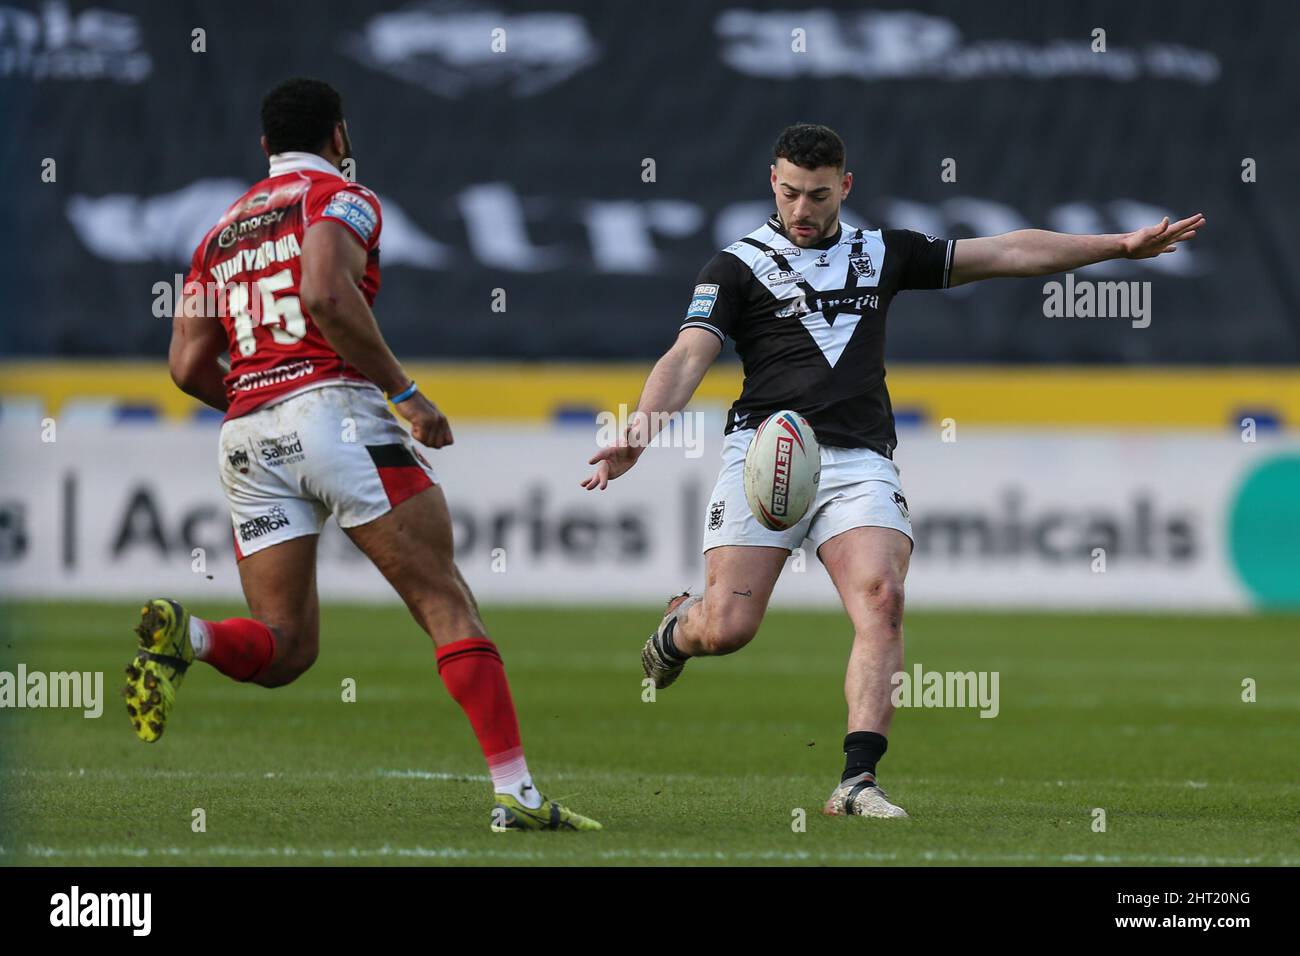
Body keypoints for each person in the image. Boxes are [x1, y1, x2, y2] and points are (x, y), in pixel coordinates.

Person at [582, 122, 1203, 818]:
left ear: (845, 187)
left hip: (859, 461)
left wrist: (1117, 248)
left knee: (882, 601)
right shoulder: (736, 265)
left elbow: (1006, 252)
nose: (802, 209)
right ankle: (677, 629)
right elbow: (689, 353)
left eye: (818, 195)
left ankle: (856, 781)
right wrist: (641, 427)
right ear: (772, 183)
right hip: (766, 455)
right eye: (790, 193)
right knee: (726, 628)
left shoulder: (883, 253)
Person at [126, 77, 600, 832]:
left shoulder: (218, 232)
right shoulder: (341, 197)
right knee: (446, 602)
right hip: (335, 416)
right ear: (339, 136)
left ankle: (195, 638)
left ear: (263, 148)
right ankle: (518, 791)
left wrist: (260, 402)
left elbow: (186, 365)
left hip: (248, 437)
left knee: (287, 650)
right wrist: (405, 393)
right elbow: (325, 293)